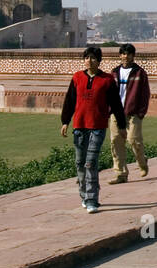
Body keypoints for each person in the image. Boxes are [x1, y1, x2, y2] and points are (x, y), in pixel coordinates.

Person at [60, 46, 126, 214]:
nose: (89, 60)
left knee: (90, 163)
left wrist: (122, 125)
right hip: (80, 127)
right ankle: (83, 195)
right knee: (80, 163)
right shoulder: (77, 78)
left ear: (99, 60)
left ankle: (92, 199)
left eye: (93, 58)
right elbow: (70, 100)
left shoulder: (107, 80)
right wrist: (65, 121)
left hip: (97, 127)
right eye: (87, 57)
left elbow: (116, 105)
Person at [107, 43, 151, 184]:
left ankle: (142, 163)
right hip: (116, 112)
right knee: (115, 141)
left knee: (133, 140)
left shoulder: (139, 73)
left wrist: (141, 112)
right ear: (120, 55)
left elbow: (145, 94)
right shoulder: (114, 72)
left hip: (133, 112)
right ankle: (121, 174)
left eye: (128, 54)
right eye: (123, 54)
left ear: (133, 56)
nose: (125, 56)